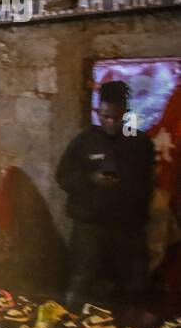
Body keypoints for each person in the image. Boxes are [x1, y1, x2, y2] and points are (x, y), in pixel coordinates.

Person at [56, 80, 155, 315]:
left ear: (126, 114)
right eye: (105, 117)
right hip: (89, 227)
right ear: (98, 113)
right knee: (81, 280)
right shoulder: (84, 141)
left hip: (128, 228)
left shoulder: (139, 143)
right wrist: (92, 179)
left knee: (135, 285)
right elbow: (63, 177)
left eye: (117, 117)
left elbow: (147, 183)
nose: (110, 123)